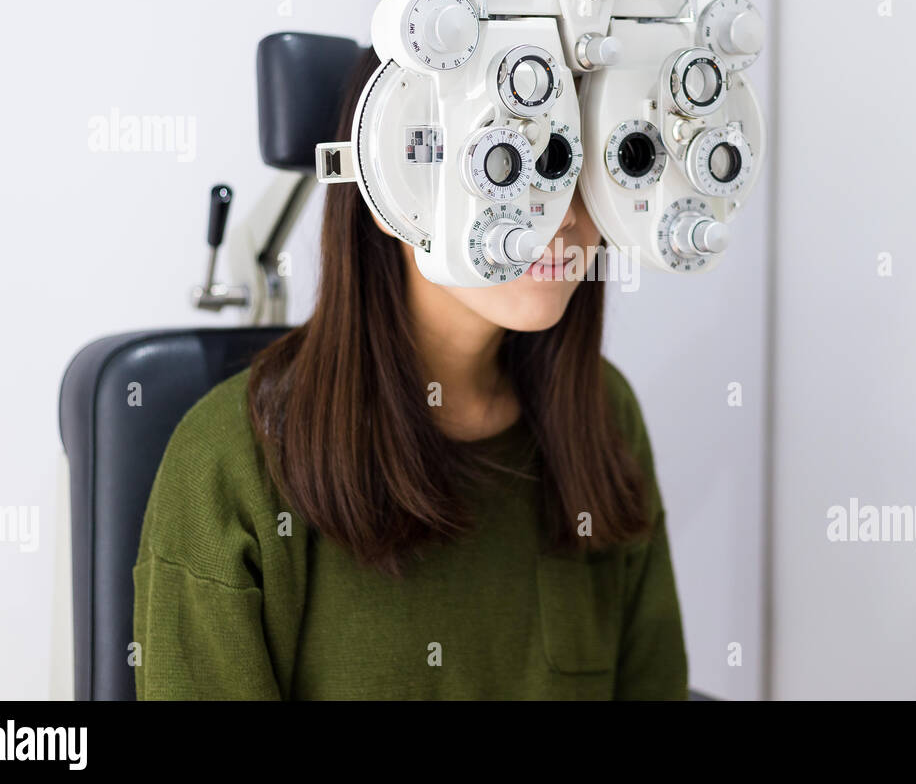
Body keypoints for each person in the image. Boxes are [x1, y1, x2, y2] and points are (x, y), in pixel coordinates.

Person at [131, 47, 688, 699]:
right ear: (393, 182)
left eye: (580, 166)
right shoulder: (231, 465)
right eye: (507, 165)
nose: (563, 216)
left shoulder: (601, 415)